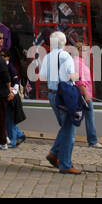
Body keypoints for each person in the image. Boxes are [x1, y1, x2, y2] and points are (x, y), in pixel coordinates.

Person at [38, 31, 80, 174]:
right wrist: (76, 75)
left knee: (65, 127)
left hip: (52, 95)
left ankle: (54, 153)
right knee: (69, 130)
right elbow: (71, 78)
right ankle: (65, 164)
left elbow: (42, 76)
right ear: (64, 43)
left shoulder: (47, 57)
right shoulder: (65, 56)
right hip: (64, 96)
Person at [68, 31, 102, 148]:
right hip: (83, 94)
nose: (86, 53)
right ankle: (92, 141)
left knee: (77, 117)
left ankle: (72, 139)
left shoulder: (79, 61)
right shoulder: (77, 62)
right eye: (84, 51)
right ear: (78, 51)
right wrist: (86, 94)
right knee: (86, 117)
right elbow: (79, 81)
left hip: (81, 94)